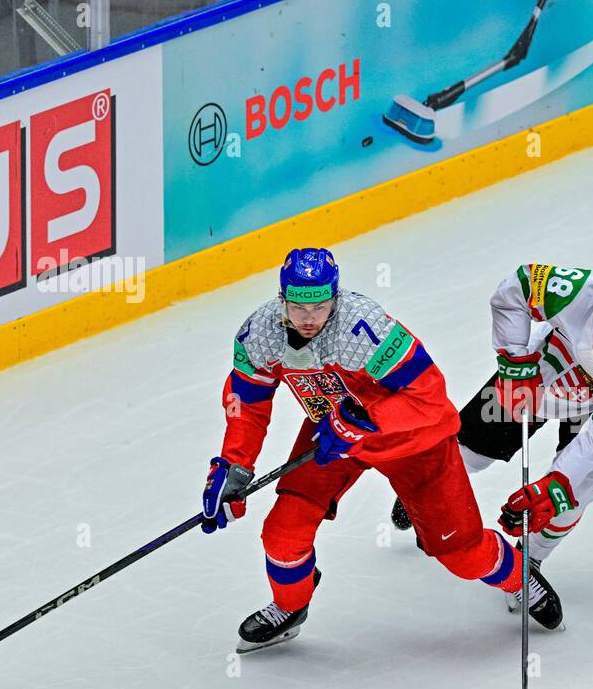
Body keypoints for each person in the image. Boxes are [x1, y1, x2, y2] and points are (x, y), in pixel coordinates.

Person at [201, 247, 555, 651]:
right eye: (299, 306)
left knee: (463, 555)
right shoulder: (259, 336)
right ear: (282, 299)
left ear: (335, 297)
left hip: (411, 441)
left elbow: (430, 398)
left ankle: (519, 577)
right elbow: (247, 402)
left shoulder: (364, 329)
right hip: (334, 437)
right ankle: (290, 607)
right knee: (282, 534)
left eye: (320, 305)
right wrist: (234, 463)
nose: (309, 317)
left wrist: (361, 420)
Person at [391, 264, 593, 624]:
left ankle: (530, 560)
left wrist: (555, 485)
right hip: (539, 376)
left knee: (576, 492)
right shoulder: (579, 292)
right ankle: (426, 498)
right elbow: (516, 288)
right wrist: (514, 360)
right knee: (470, 446)